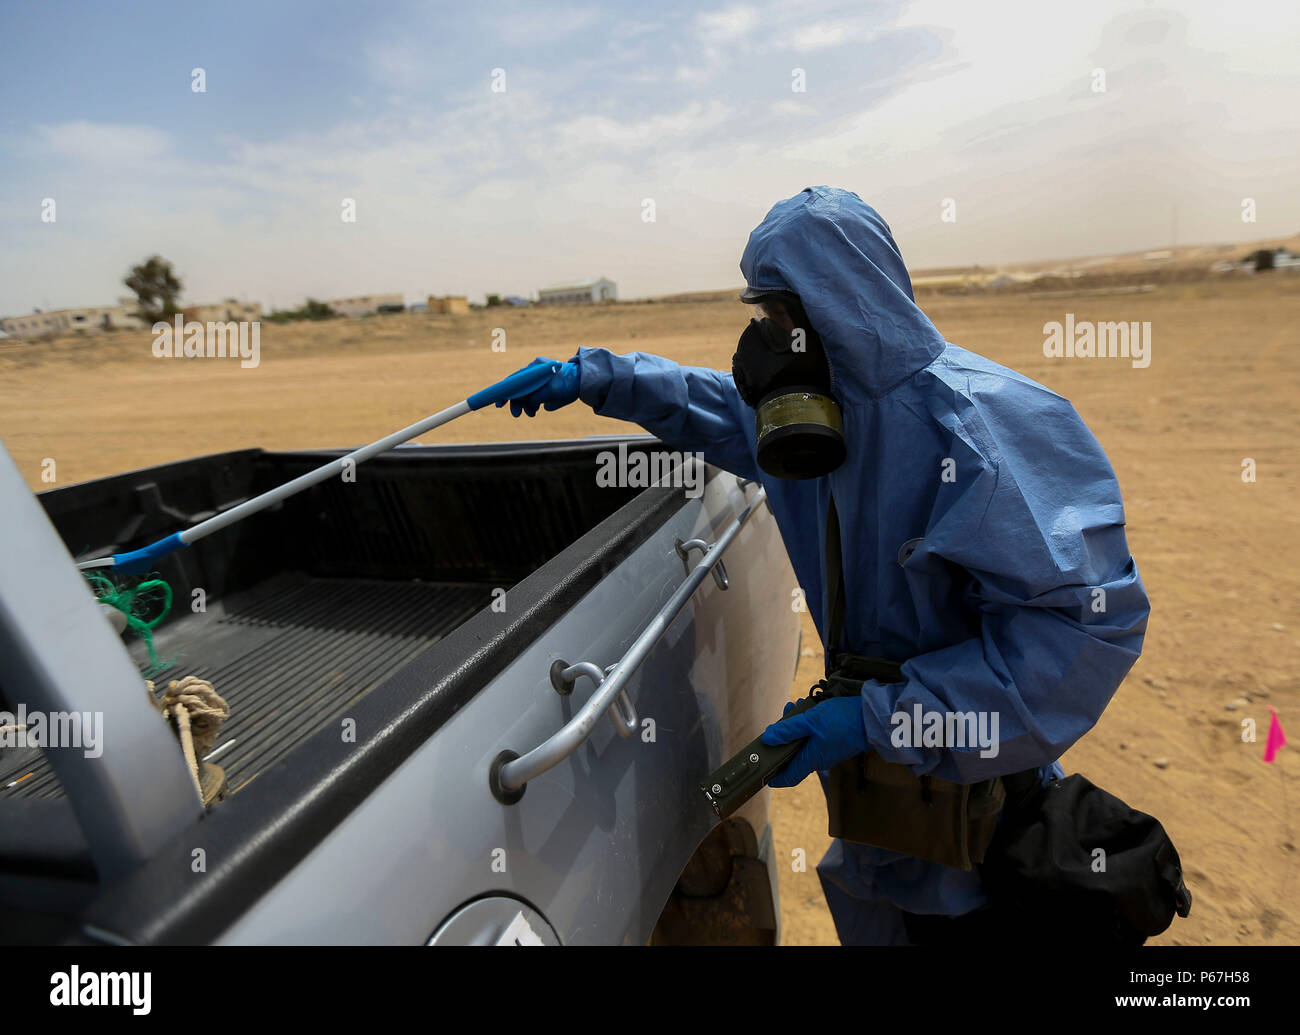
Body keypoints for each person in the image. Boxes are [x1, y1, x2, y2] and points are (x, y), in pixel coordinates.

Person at [494, 186, 1149, 945]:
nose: (763, 339)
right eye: (761, 316)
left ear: (840, 305)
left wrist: (881, 715)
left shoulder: (990, 432)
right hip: (880, 817)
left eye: (777, 317)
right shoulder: (815, 422)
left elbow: (1082, 636)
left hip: (976, 825)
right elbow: (712, 406)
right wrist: (596, 378)